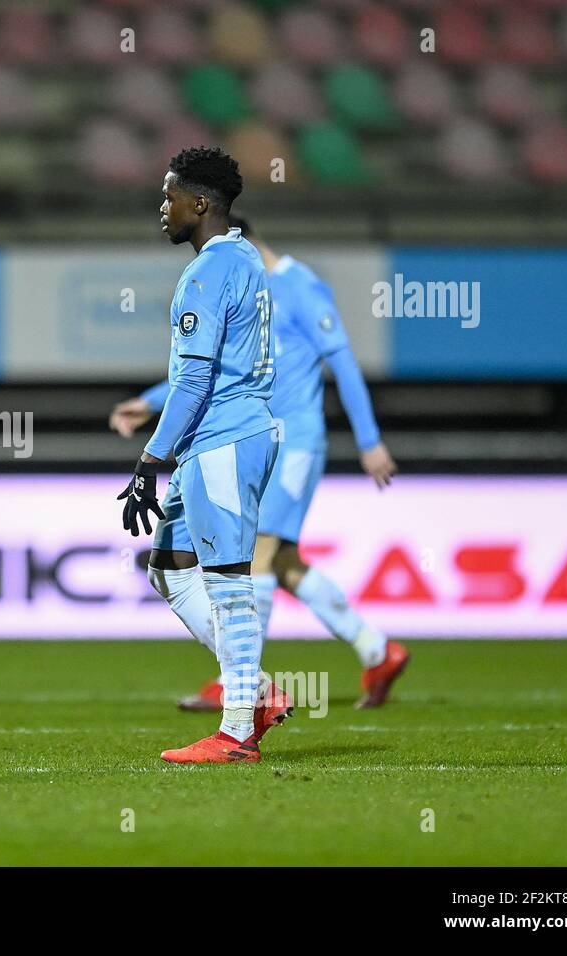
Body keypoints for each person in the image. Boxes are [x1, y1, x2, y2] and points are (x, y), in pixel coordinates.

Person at [111, 216, 408, 711]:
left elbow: (344, 361)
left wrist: (370, 441)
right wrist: (151, 400)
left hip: (295, 444)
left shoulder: (298, 285)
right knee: (285, 563)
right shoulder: (253, 289)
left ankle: (242, 687)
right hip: (263, 438)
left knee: (260, 558)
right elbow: (219, 370)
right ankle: (377, 650)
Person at [117, 147, 289, 764]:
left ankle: (238, 732)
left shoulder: (210, 271)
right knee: (167, 567)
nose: (162, 209)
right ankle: (259, 692)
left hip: (223, 438)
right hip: (222, 439)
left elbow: (195, 380)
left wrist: (149, 460)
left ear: (201, 203)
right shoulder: (242, 257)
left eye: (169, 197)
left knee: (227, 582)